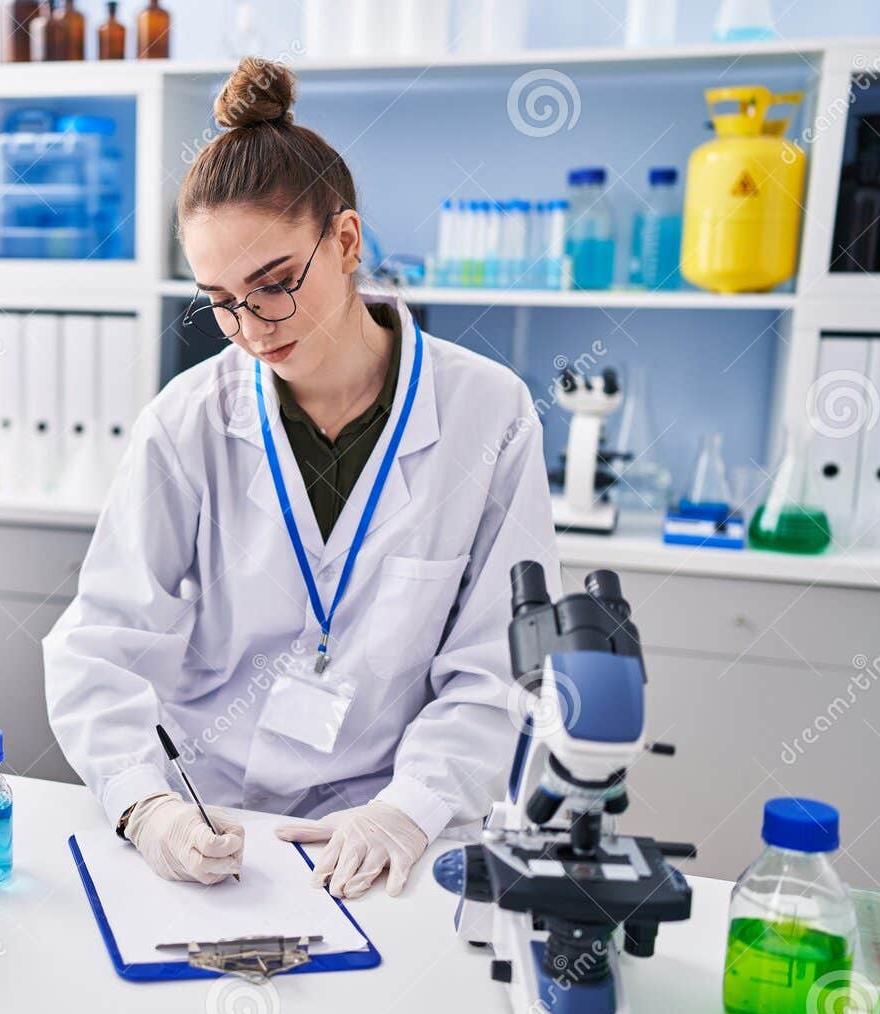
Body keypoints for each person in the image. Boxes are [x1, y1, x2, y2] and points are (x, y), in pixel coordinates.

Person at [42, 56, 559, 899]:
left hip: (394, 829)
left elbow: (495, 666)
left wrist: (410, 809)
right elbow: (100, 642)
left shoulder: (487, 413)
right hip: (216, 818)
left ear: (347, 241)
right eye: (219, 299)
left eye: (275, 284)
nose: (250, 327)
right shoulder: (188, 421)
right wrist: (145, 807)